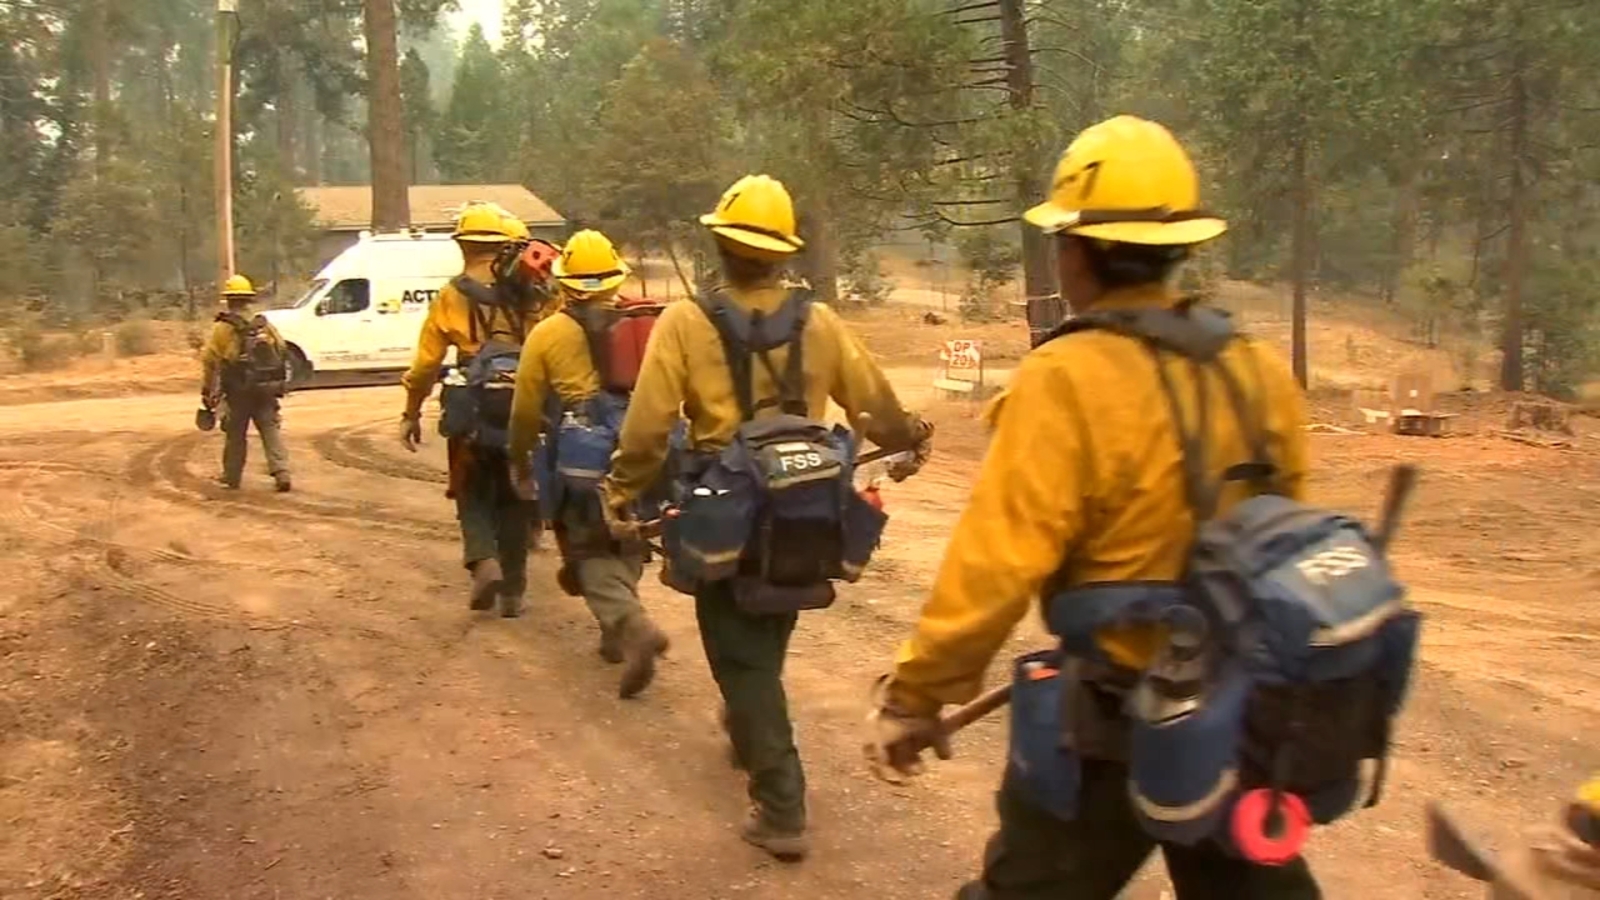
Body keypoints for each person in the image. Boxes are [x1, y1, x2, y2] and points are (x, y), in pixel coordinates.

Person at [862, 116, 1321, 899]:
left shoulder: (1063, 378)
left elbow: (996, 565)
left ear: (1077, 251)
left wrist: (917, 693)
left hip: (1113, 723)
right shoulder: (1257, 370)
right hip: (1239, 713)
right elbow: (1288, 533)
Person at [600, 174, 934, 861]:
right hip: (808, 509)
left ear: (719, 246)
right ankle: (748, 724)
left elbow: (647, 428)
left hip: (726, 513)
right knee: (764, 635)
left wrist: (621, 489)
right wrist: (909, 435)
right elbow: (876, 408)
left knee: (740, 658)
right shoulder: (821, 323)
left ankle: (781, 804)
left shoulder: (685, 323)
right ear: (784, 253)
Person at [504, 228, 670, 698]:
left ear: (564, 281)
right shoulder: (644, 322)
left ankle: (630, 624)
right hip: (642, 442)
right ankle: (614, 629)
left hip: (582, 453)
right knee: (629, 532)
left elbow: (525, 409)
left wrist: (519, 458)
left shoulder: (548, 333)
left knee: (585, 547)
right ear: (616, 276)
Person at [399, 203, 547, 617]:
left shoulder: (452, 294)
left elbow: (426, 365)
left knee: (472, 488)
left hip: (472, 403)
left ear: (463, 244)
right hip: (526, 401)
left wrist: (411, 412)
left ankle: (483, 560)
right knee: (515, 495)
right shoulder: (532, 290)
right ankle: (513, 592)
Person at [201, 274, 291, 492]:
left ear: (229, 300)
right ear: (249, 298)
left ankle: (232, 477)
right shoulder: (263, 324)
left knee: (236, 434)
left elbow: (210, 360)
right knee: (270, 429)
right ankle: (281, 472)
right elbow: (281, 348)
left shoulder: (223, 328)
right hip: (265, 387)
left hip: (238, 390)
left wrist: (207, 391)